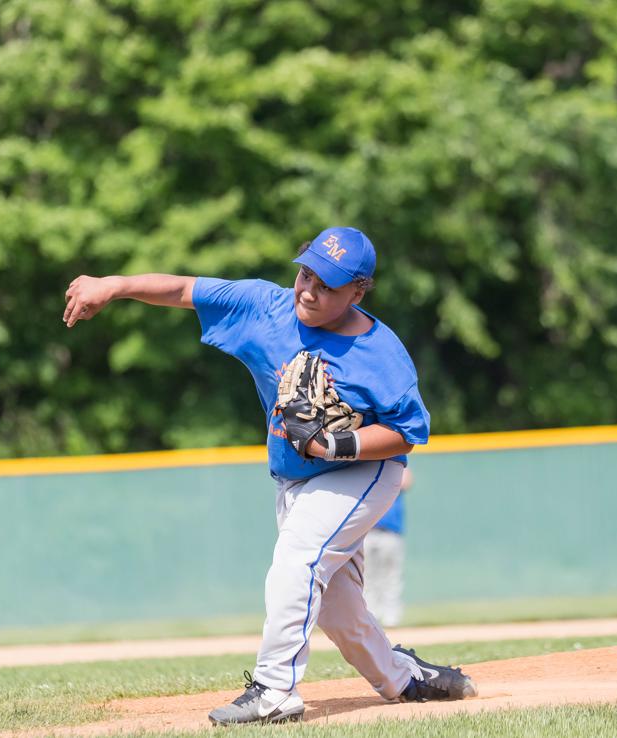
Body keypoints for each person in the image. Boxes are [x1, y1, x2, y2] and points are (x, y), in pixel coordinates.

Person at [64, 226, 476, 725]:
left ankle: (275, 690)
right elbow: (184, 289)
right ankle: (404, 678)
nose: (309, 289)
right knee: (336, 610)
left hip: (365, 470)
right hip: (295, 478)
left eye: (327, 285)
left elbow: (408, 433)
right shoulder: (266, 307)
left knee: (297, 562)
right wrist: (113, 285)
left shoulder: (379, 351)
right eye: (307, 273)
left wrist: (334, 443)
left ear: (358, 290)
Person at [364, 467, 412, 627]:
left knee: (392, 577)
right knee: (367, 577)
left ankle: (392, 618)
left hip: (390, 531)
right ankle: (372, 616)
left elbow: (406, 481)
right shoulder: (363, 468)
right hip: (366, 532)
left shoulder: (396, 464)